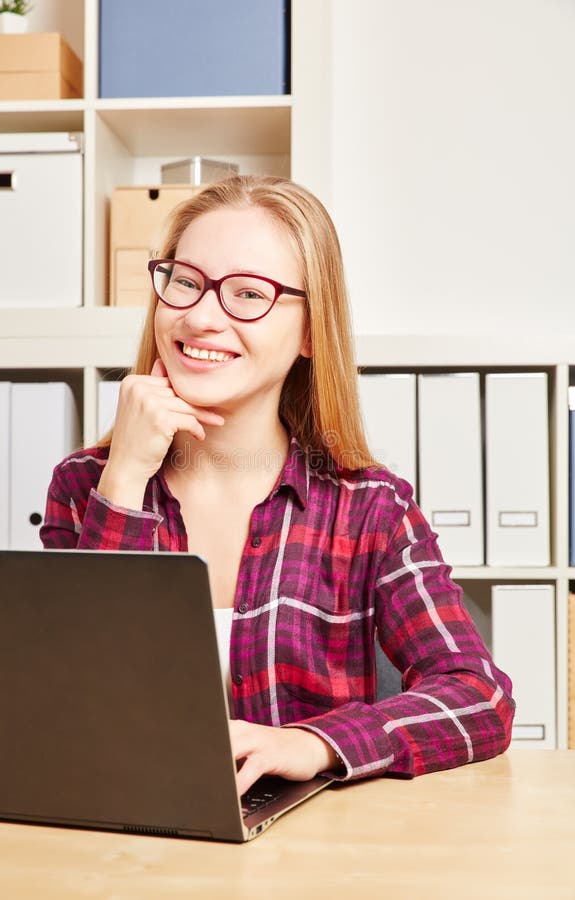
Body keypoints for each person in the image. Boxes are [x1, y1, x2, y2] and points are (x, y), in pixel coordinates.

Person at [41, 174, 515, 797]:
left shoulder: (370, 507)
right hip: (121, 840)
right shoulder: (86, 487)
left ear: (313, 333)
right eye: (185, 282)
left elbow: (477, 695)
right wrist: (125, 479)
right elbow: (68, 703)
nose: (202, 317)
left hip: (304, 855)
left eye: (249, 294)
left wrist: (316, 742)